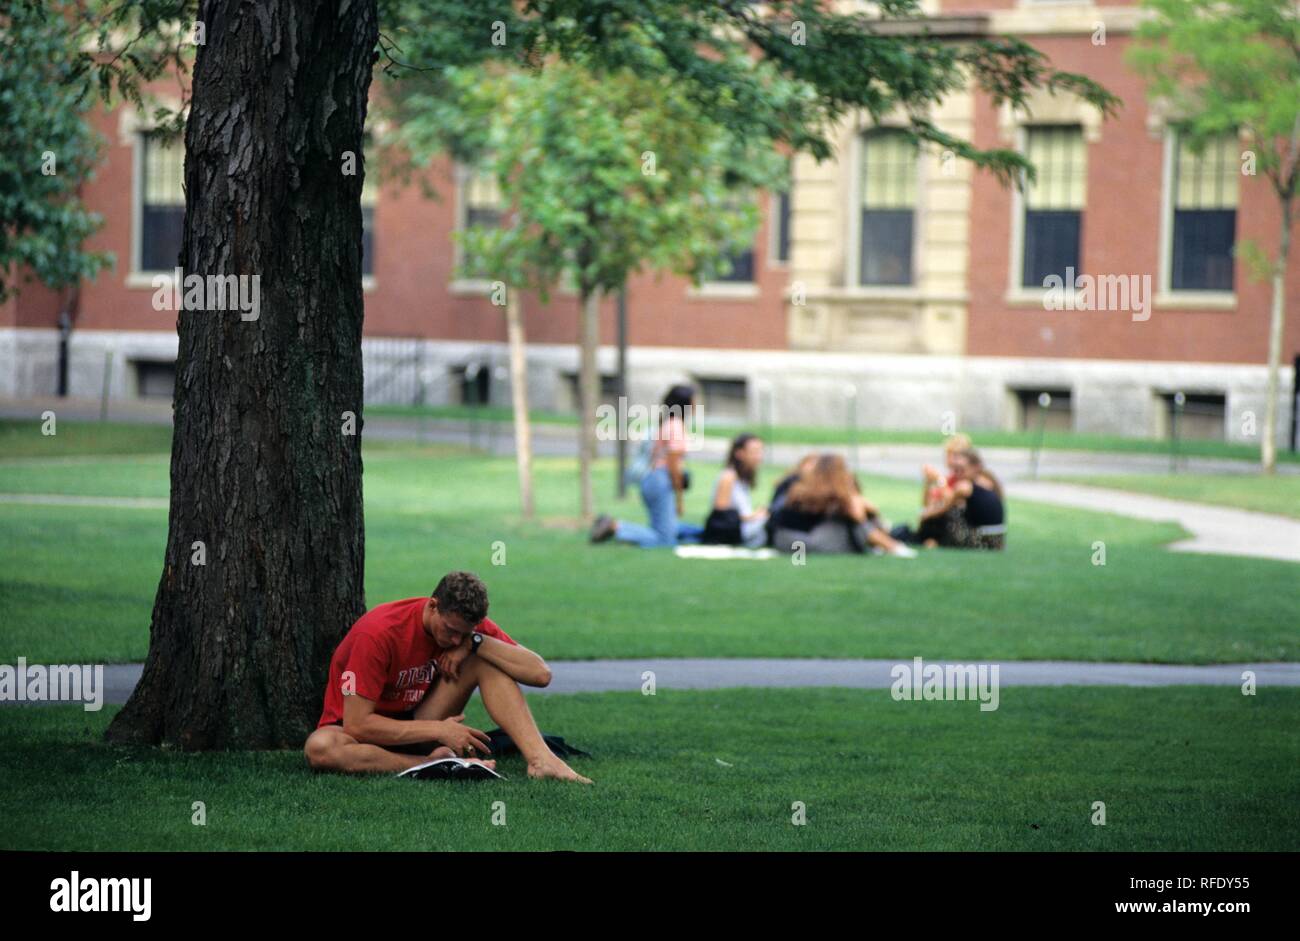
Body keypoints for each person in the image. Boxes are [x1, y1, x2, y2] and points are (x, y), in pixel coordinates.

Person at [303, 571, 592, 783]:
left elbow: (540, 674)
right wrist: (439, 731)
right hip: (361, 734)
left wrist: (475, 643)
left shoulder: (465, 629)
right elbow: (357, 725)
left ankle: (541, 760)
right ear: (433, 606)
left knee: (486, 660)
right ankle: (429, 763)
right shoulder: (378, 633)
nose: (455, 640)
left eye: (464, 634)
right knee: (320, 748)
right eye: (451, 631)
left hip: (418, 723)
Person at [589, 384, 704, 548]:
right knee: (665, 540)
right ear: (685, 403)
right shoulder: (676, 426)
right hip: (661, 480)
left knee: (664, 531)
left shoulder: (666, 423)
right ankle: (615, 526)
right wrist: (679, 499)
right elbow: (673, 466)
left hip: (652, 479)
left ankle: (704, 533)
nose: (695, 405)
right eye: (693, 401)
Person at [769, 454, 916, 557]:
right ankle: (893, 547)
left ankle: (887, 545)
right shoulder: (833, 494)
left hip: (784, 542)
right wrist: (867, 506)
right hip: (805, 544)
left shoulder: (802, 488)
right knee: (851, 520)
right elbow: (858, 517)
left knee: (849, 517)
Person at [896, 449, 1005, 549]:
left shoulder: (965, 486)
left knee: (948, 514)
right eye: (956, 470)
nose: (958, 474)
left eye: (961, 470)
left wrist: (926, 514)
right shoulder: (987, 481)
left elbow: (945, 505)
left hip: (984, 541)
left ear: (975, 467)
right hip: (997, 541)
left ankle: (931, 541)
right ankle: (931, 540)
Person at [702, 433, 769, 548]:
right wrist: (754, 516)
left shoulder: (742, 478)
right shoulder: (728, 477)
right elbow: (721, 515)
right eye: (754, 452)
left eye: (760, 452)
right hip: (733, 531)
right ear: (739, 453)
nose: (759, 457)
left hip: (744, 527)